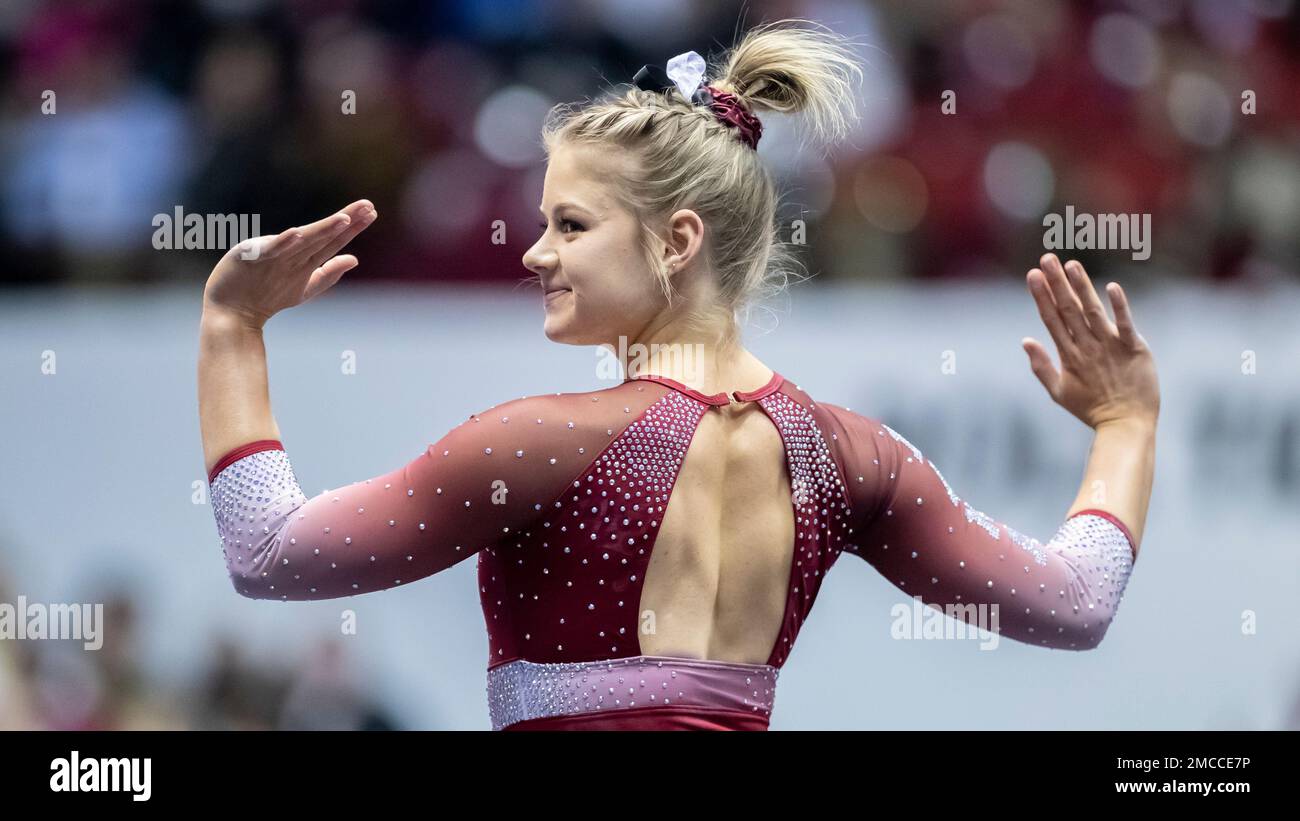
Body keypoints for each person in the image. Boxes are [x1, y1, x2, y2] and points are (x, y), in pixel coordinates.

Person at [197, 20, 1159, 731]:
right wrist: (1123, 424)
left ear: (677, 240)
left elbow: (268, 551)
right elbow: (1074, 603)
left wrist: (234, 329)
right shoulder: (850, 458)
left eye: (570, 226)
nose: (535, 255)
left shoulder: (544, 442)